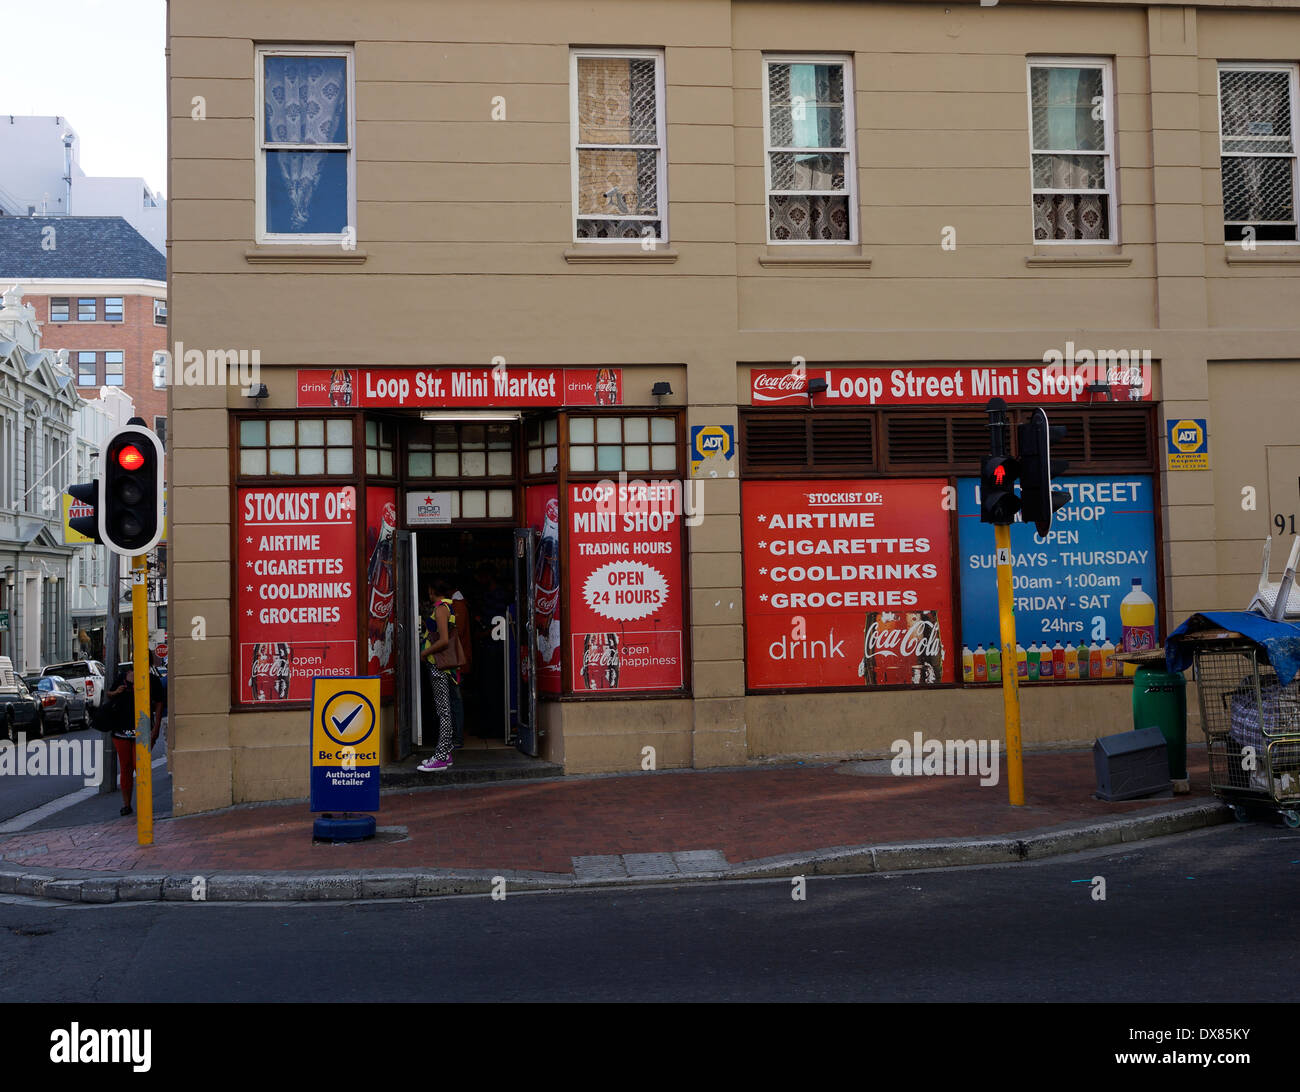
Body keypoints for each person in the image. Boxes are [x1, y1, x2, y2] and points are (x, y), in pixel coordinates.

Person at [105, 663, 165, 816]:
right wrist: (117, 691)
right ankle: (127, 805)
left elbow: (159, 704)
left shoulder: (152, 680)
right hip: (121, 730)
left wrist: (156, 728)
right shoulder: (122, 678)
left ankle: (145, 803)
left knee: (141, 766)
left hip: (143, 730)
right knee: (126, 767)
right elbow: (109, 694)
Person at [416, 578, 459, 772]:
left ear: (433, 590)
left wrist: (424, 653)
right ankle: (445, 753)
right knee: (444, 709)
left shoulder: (441, 608)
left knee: (443, 711)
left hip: (438, 665)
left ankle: (441, 756)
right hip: (440, 665)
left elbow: (442, 640)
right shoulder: (446, 606)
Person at [449, 587, 472, 748]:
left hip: (456, 660)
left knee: (455, 699)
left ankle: (457, 737)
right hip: (456, 658)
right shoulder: (457, 605)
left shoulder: (458, 606)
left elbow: (457, 631)